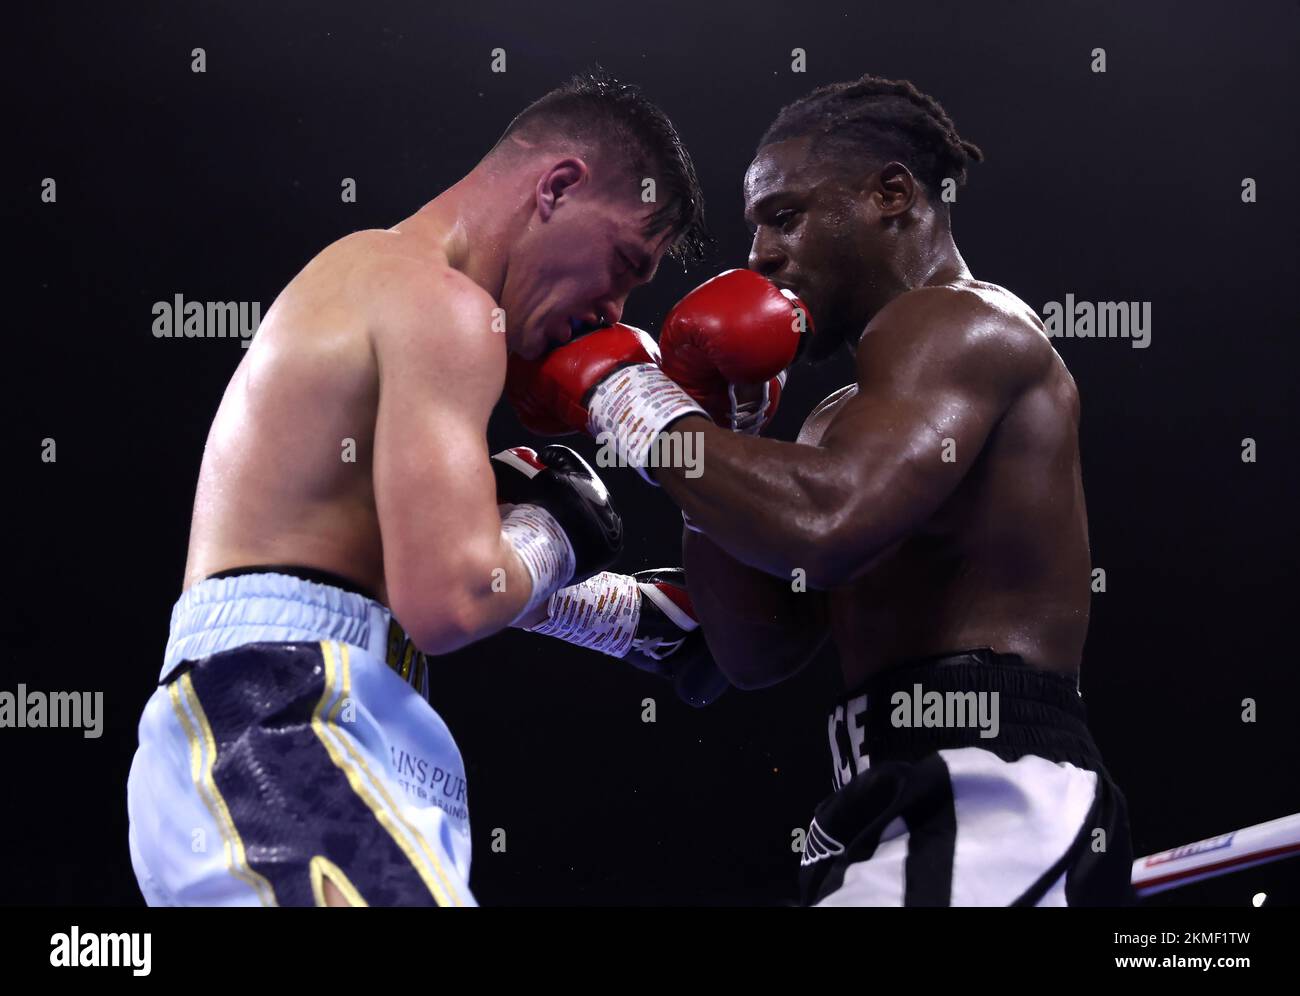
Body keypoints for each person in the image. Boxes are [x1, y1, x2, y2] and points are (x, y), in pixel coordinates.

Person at [506, 75, 1134, 906]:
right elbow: (758, 650)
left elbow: (823, 519)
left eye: (787, 214)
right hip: (886, 794)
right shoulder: (842, 416)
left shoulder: (962, 323)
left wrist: (632, 398)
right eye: (758, 223)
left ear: (892, 194)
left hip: (989, 785)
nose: (761, 251)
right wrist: (717, 432)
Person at [126, 69, 707, 907]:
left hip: (282, 721)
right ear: (559, 185)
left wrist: (625, 617)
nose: (612, 308)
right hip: (286, 722)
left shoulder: (381, 281)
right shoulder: (444, 307)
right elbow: (452, 601)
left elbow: (397, 574)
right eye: (624, 263)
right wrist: (554, 531)